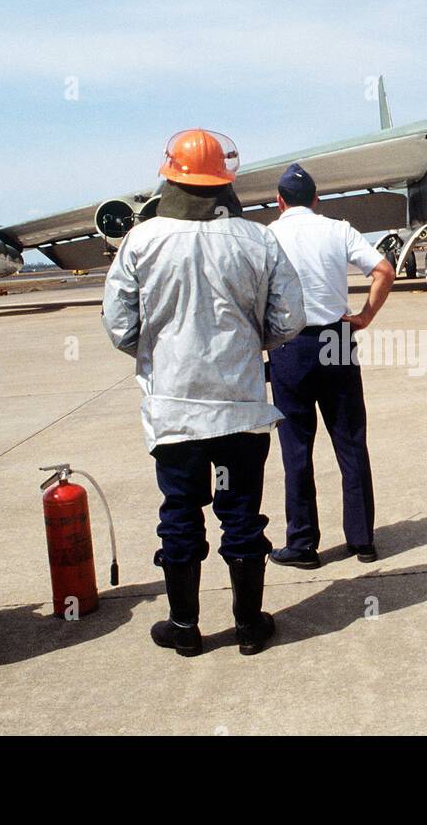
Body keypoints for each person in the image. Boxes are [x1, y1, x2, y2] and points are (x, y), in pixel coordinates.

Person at [103, 129, 305, 657]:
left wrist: (159, 353)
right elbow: (289, 318)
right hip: (241, 410)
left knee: (179, 513)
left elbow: (118, 324)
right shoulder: (259, 239)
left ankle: (185, 627)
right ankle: (248, 626)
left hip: (174, 413)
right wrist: (246, 340)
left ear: (169, 175)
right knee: (241, 516)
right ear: (226, 181)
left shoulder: (141, 241)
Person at [265, 163, 395, 569]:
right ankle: (362, 540)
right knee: (351, 440)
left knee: (297, 448)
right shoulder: (338, 229)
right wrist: (365, 316)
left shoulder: (269, 236)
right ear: (317, 199)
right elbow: (383, 270)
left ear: (279, 201)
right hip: (336, 339)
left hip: (290, 346)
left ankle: (302, 544)